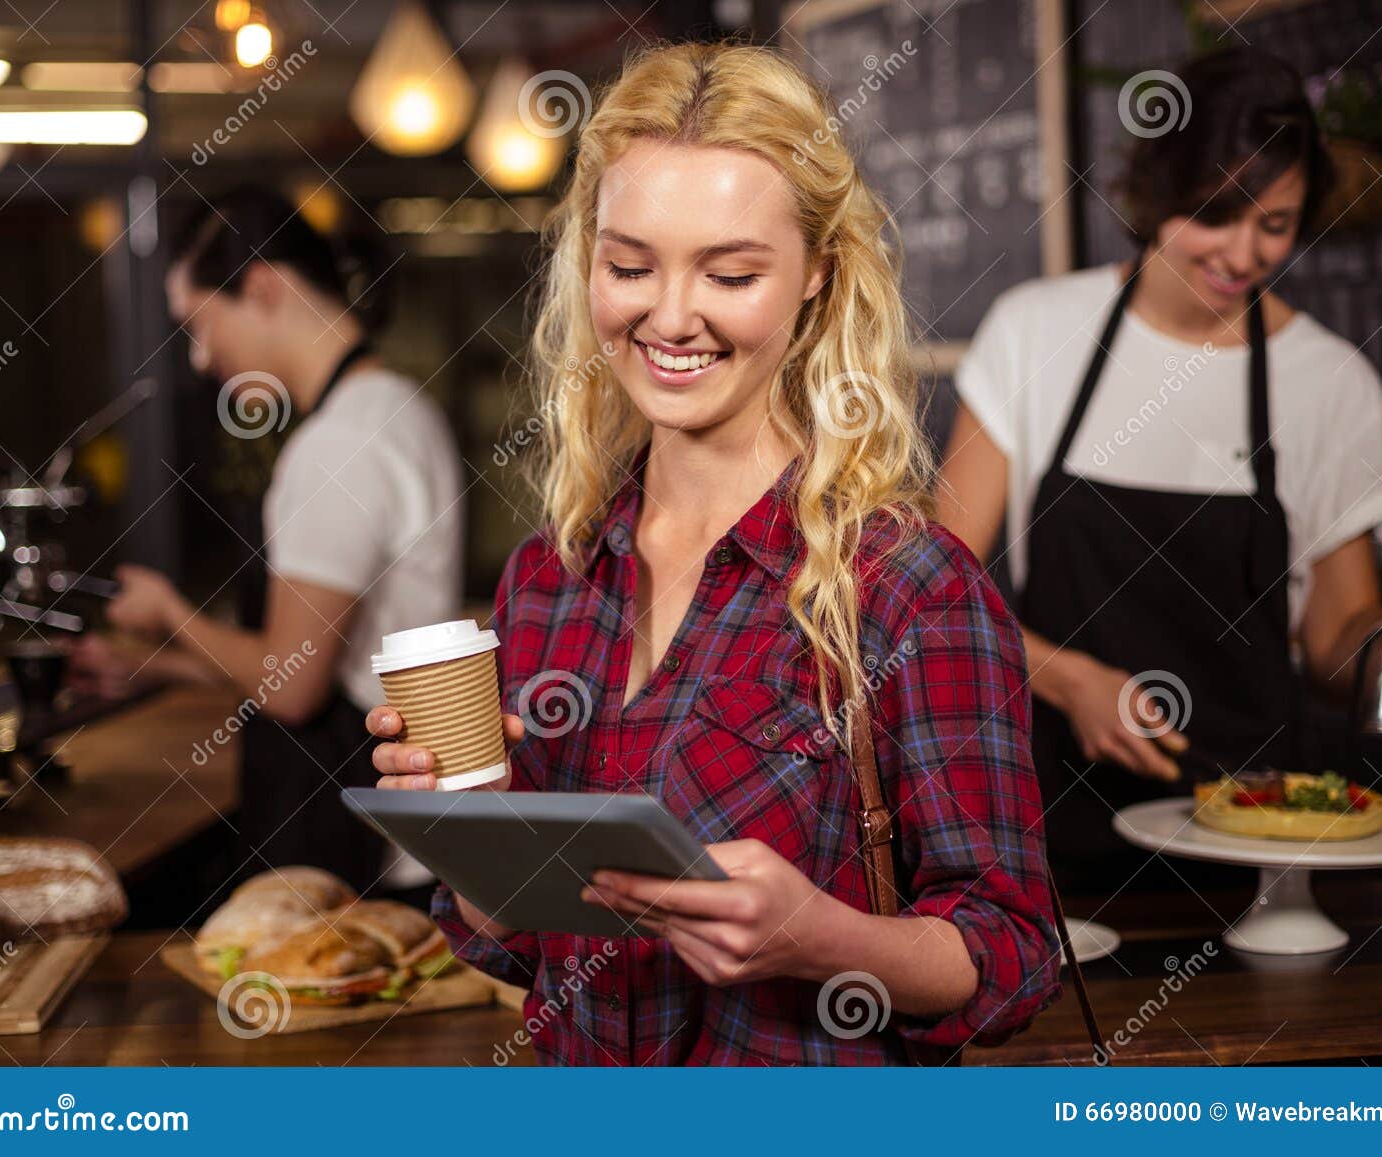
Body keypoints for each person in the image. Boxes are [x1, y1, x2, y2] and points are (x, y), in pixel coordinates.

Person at [364, 42, 1061, 1065]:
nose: (671, 315)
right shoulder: (548, 576)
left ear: (817, 277)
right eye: (630, 264)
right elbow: (516, 937)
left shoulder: (909, 588)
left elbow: (1013, 954)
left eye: (729, 271)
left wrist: (823, 938)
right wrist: (467, 825)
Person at [935, 48, 1382, 893]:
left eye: (1273, 223)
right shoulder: (1035, 331)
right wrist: (1073, 680)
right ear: (1160, 192)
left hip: (1256, 845)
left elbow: (1335, 654)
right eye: (1217, 212)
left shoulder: (1329, 382)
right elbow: (932, 590)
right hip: (1050, 835)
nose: (1242, 253)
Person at [73, 187, 464, 894]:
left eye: (198, 322)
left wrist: (170, 615)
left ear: (261, 288)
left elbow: (292, 686)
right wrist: (162, 669)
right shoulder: (397, 405)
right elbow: (335, 657)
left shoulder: (337, 444)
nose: (199, 357)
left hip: (365, 836)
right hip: (411, 816)